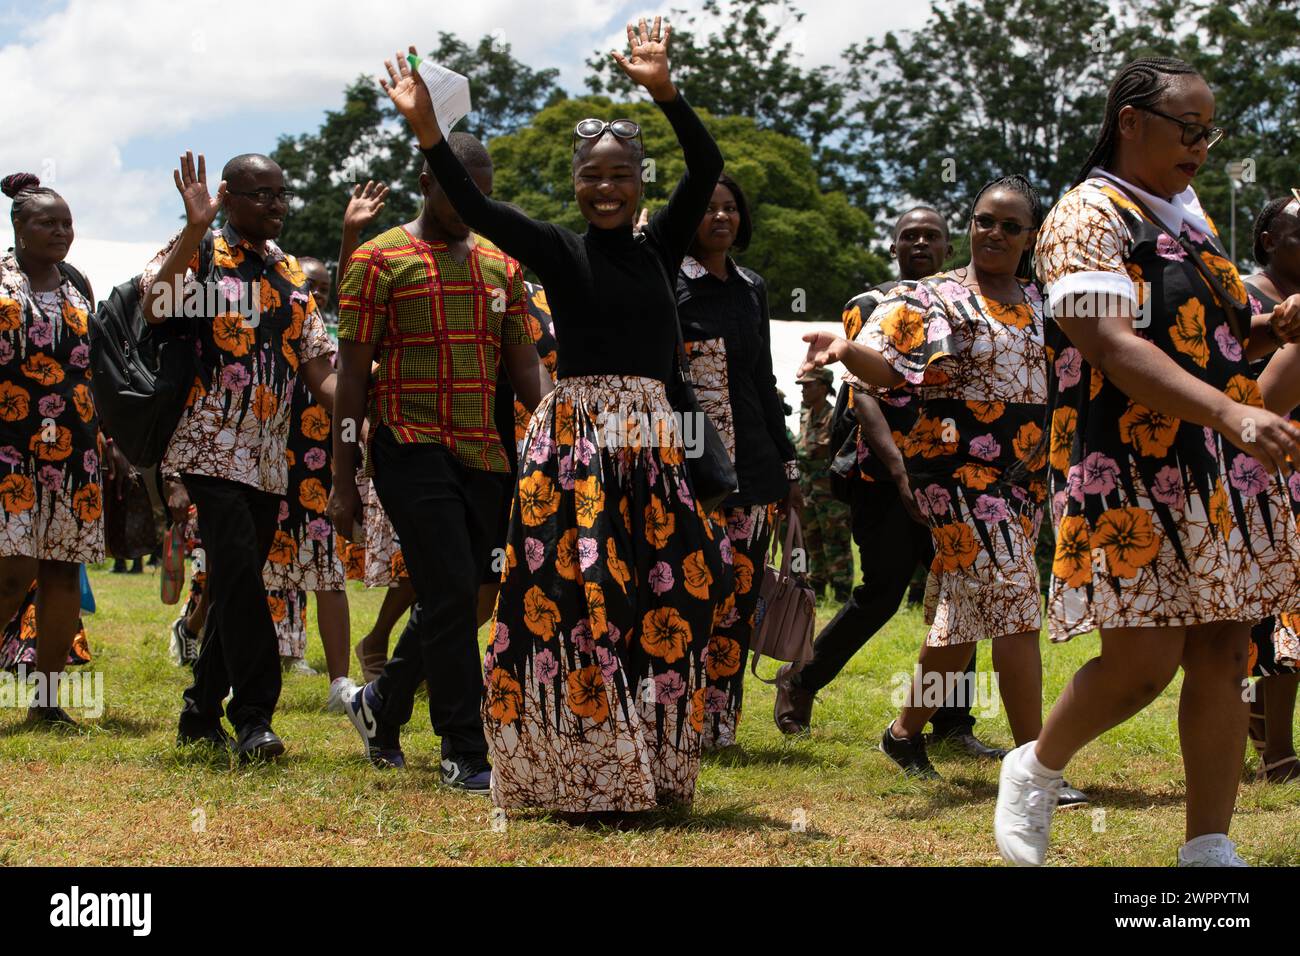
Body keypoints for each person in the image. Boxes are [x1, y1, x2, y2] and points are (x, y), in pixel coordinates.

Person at [376, 19, 730, 812]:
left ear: (640, 183)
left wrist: (665, 92)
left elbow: (707, 164)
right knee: (579, 598)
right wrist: (431, 132)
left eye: (619, 176)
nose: (605, 189)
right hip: (575, 445)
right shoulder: (559, 250)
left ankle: (651, 765)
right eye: (591, 178)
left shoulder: (662, 243)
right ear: (575, 185)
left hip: (647, 438)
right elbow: (473, 201)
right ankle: (578, 771)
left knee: (674, 594)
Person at [994, 58, 1300, 867]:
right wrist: (1232, 409)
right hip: (1127, 462)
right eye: (1188, 129)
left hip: (1212, 460)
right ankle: (1034, 768)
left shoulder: (1188, 217)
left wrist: (1272, 329)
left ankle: (1207, 846)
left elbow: (1207, 339)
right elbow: (1110, 345)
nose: (1202, 145)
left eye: (1211, 131)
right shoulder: (1085, 216)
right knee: (1141, 663)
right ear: (1130, 122)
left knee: (1224, 652)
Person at [800, 176, 1084, 803]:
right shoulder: (932, 297)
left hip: (1020, 483)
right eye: (985, 220)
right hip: (954, 480)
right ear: (973, 224)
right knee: (1014, 609)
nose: (995, 233)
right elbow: (885, 370)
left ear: (1030, 236)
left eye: (1011, 226)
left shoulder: (1044, 304)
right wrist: (846, 348)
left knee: (956, 629)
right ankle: (1036, 766)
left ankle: (903, 733)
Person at [329, 128, 547, 790]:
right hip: (409, 447)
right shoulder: (377, 260)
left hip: (486, 456)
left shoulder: (503, 267)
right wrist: (342, 481)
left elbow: (526, 369)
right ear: (427, 182)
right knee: (450, 588)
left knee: (465, 598)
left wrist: (570, 424)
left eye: (483, 195)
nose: (473, 205)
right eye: (461, 192)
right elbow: (352, 378)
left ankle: (379, 706)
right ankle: (463, 751)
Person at [776, 207, 1004, 761]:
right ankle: (801, 678)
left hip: (951, 477)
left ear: (949, 246)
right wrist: (902, 474)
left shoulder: (967, 305)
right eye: (909, 236)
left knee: (959, 596)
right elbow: (865, 394)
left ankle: (952, 724)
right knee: (881, 592)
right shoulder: (869, 306)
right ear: (895, 245)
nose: (920, 243)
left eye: (931, 236)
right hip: (882, 476)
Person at [141, 152, 338, 762]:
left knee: (237, 580)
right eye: (260, 194)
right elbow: (155, 305)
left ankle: (200, 713)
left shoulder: (287, 271)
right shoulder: (200, 250)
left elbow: (320, 368)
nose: (276, 205)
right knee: (242, 576)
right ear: (227, 197)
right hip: (205, 446)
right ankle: (255, 714)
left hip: (267, 454)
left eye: (281, 194)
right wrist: (196, 226)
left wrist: (367, 401)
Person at [676, 172, 798, 751]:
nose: (720, 218)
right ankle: (679, 713)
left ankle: (721, 723)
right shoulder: (670, 281)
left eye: (730, 209)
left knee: (740, 597)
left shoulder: (753, 287)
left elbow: (763, 379)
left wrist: (787, 461)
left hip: (753, 469)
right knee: (693, 588)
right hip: (691, 468)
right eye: (707, 208)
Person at [0, 173, 104, 725]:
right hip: (9, 447)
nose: (62, 231)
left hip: (74, 449)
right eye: (49, 222)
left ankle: (46, 701)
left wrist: (104, 433)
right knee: (13, 571)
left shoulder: (77, 285)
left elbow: (92, 365)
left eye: (67, 223)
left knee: (62, 571)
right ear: (18, 226)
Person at [1244, 190, 1300, 783]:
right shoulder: (1241, 297)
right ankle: (1273, 749)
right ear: (1267, 240)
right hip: (1255, 469)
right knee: (1269, 615)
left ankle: (1267, 733)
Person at [794, 367, 853, 602]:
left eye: (809, 385)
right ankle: (816, 590)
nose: (804, 390)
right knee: (813, 542)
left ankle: (842, 593)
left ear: (823, 387)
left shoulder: (833, 417)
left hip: (831, 496)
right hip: (809, 492)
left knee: (836, 543)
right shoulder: (805, 416)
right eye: (802, 386)